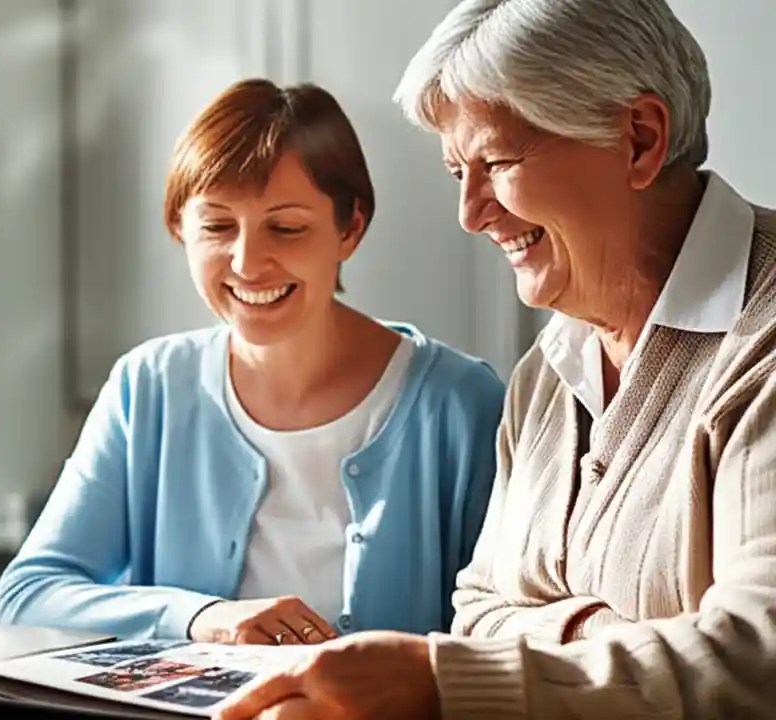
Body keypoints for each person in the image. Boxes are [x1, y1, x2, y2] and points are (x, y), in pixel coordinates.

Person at [218, 0, 776, 718]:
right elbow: (478, 611)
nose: (471, 212)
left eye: (498, 163)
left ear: (638, 139)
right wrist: (610, 640)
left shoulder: (760, 338)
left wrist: (451, 676)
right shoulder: (548, 370)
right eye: (458, 171)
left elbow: (755, 660)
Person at [0, 79, 504, 646]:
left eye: (286, 228)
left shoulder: (460, 401)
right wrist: (202, 618)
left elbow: (502, 626)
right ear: (179, 228)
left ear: (350, 229)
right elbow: (27, 596)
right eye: (216, 226)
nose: (247, 262)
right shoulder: (150, 386)